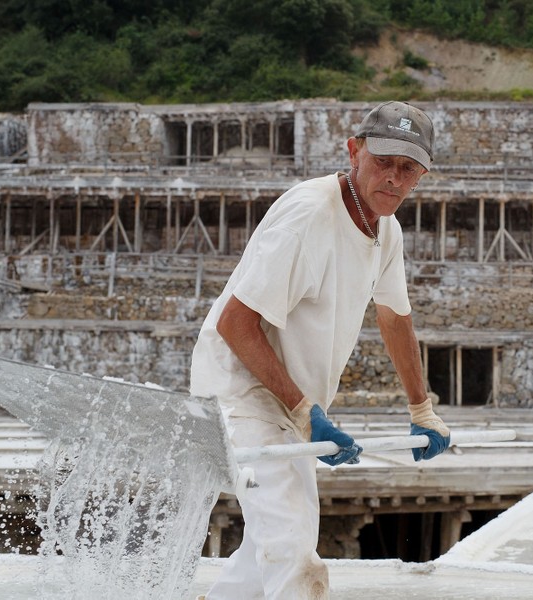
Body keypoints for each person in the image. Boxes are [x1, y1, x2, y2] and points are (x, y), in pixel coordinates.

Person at [189, 101, 451, 600]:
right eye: (383, 162)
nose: (393, 178)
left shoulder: (386, 229)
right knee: (293, 553)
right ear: (354, 152)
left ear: (421, 175)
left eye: (408, 169)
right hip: (242, 394)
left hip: (289, 404)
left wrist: (422, 409)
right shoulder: (310, 214)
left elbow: (394, 317)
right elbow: (235, 324)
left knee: (271, 546)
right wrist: (303, 409)